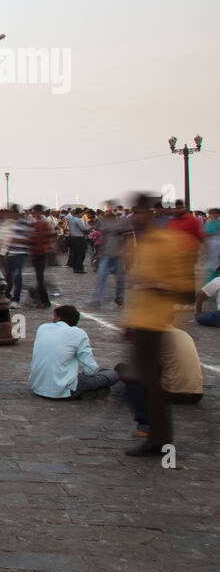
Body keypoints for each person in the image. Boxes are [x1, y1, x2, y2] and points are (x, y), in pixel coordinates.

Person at [120, 194, 195, 457]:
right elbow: (135, 288)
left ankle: (157, 438)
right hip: (140, 321)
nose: (136, 217)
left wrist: (156, 284)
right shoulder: (141, 244)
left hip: (156, 322)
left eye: (140, 212)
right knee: (137, 380)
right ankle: (154, 433)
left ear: (152, 213)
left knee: (147, 383)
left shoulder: (170, 243)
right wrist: (127, 323)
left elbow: (185, 288)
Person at [28, 305, 120, 399]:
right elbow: (91, 370)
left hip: (37, 387)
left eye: (54, 317)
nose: (53, 319)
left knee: (97, 377)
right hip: (63, 390)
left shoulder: (42, 328)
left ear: (59, 318)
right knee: (112, 374)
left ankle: (89, 391)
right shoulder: (78, 333)